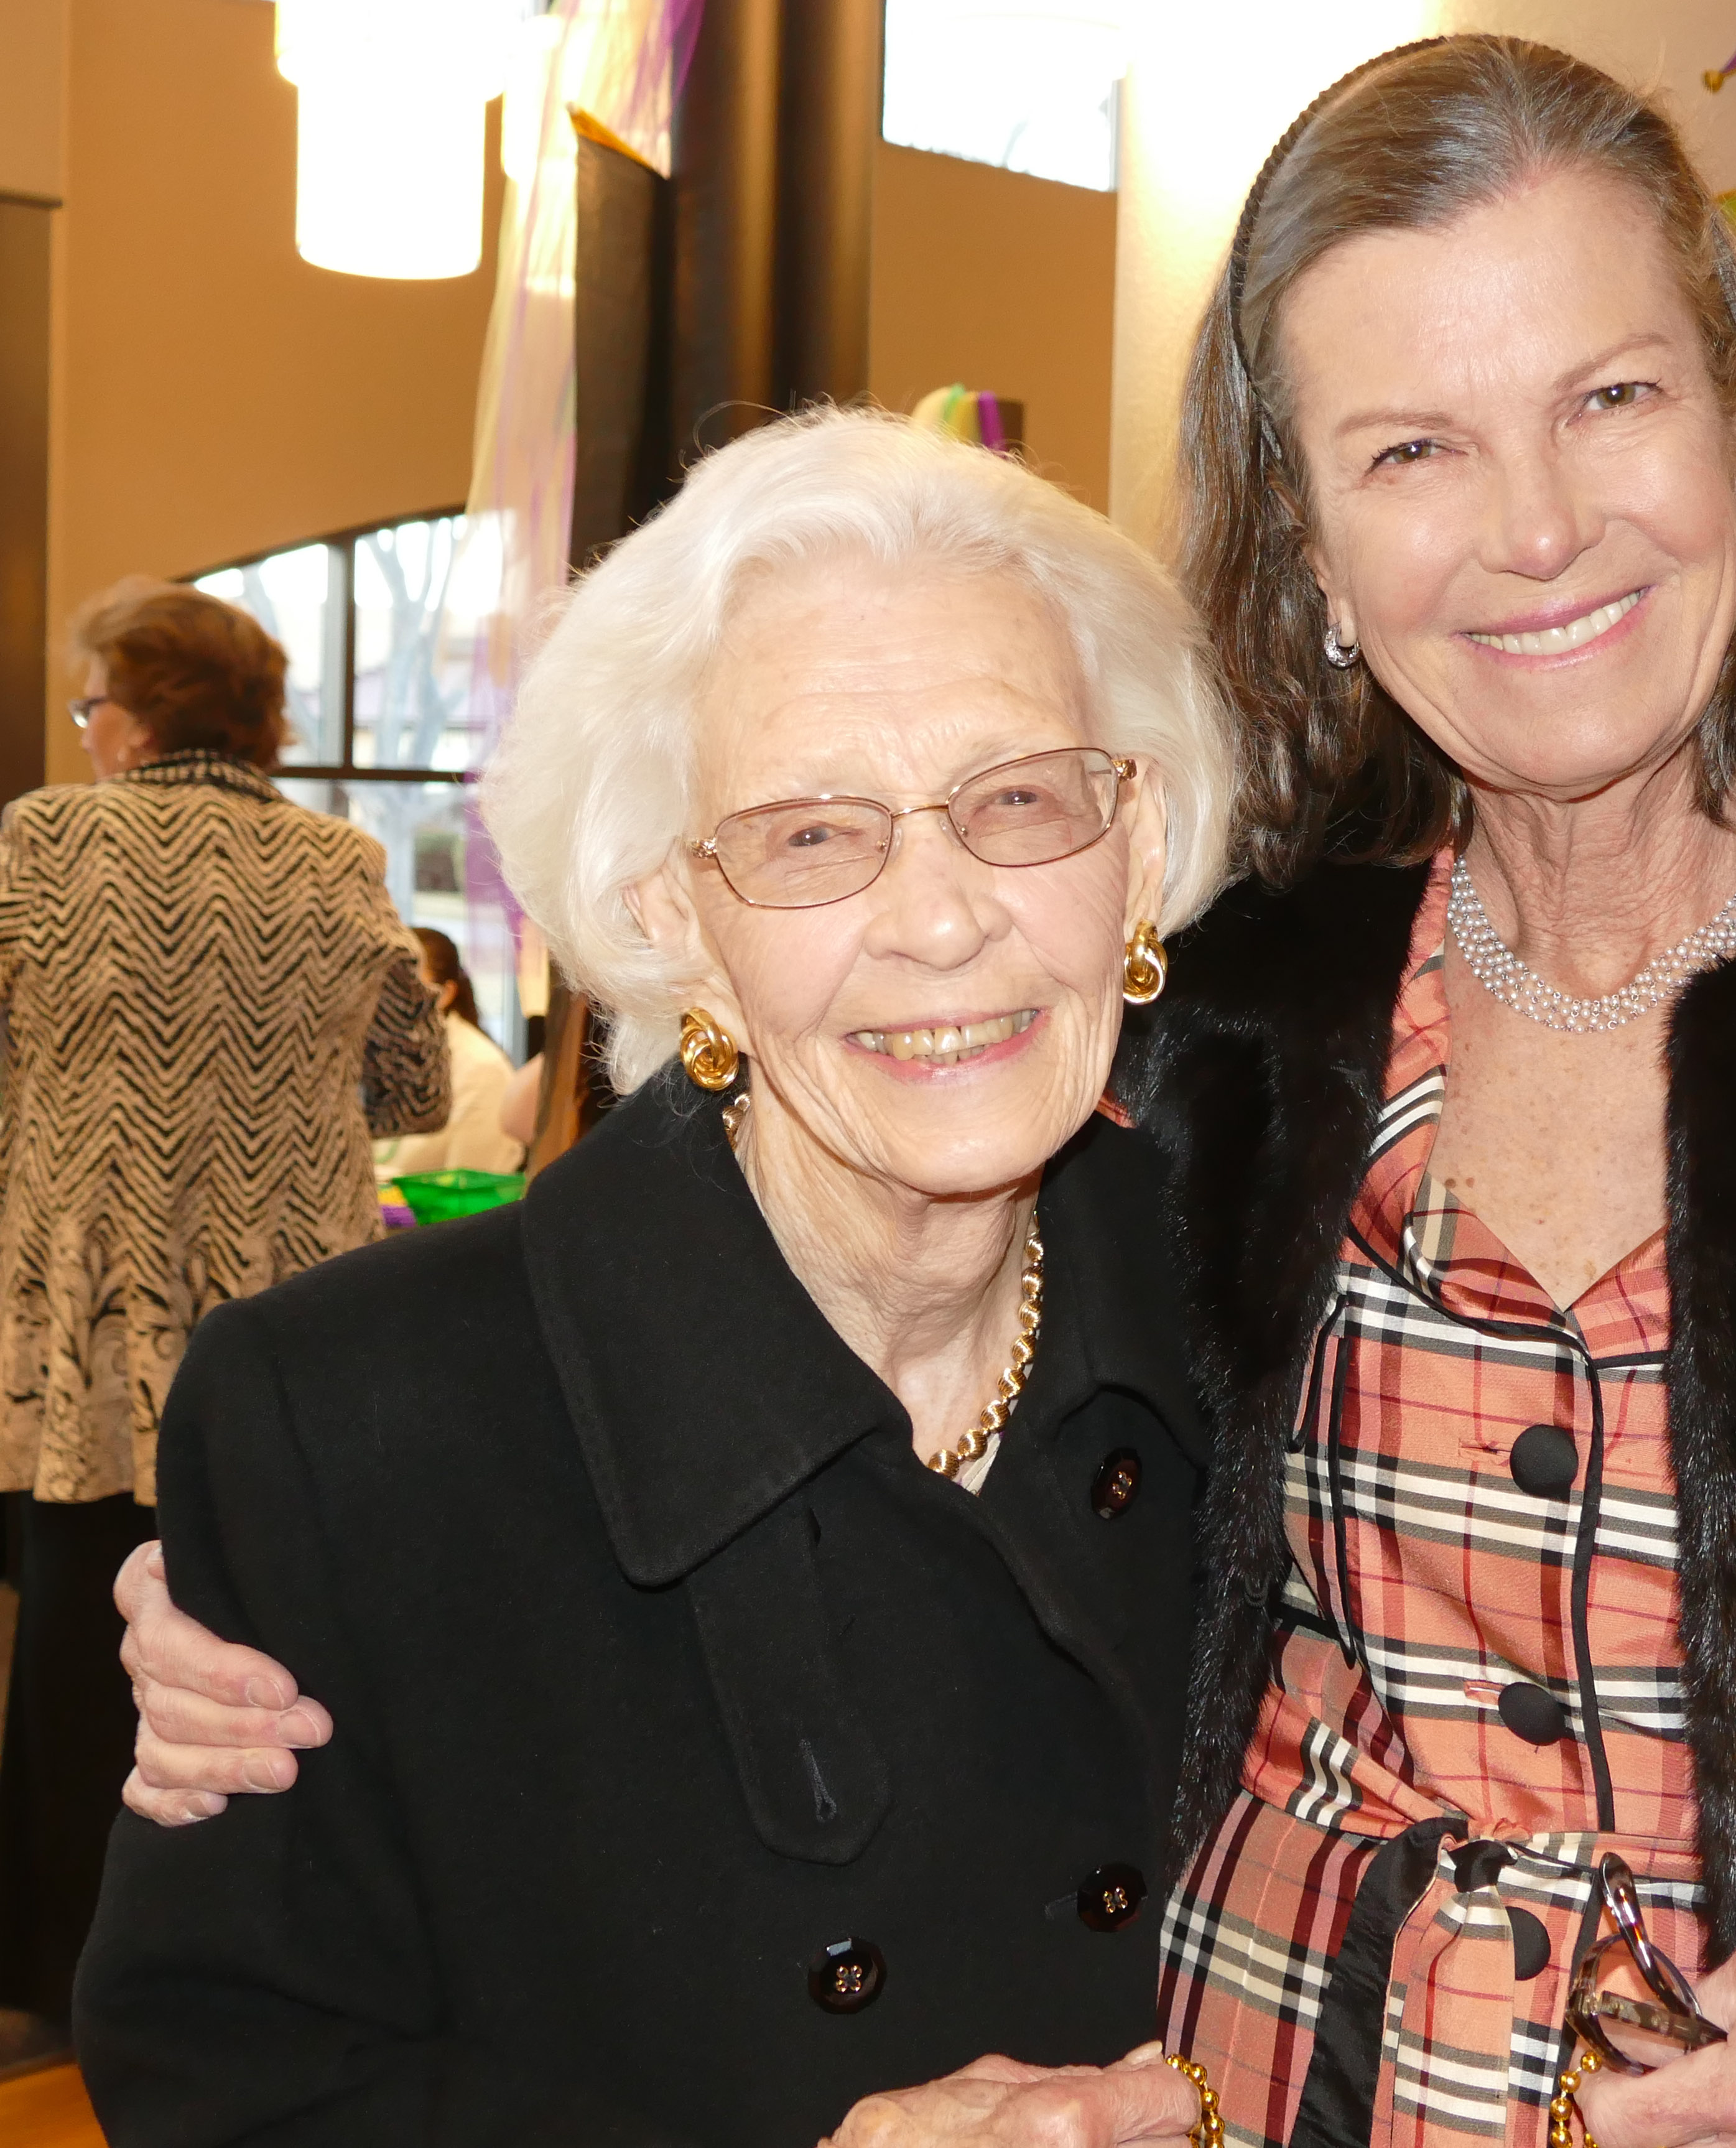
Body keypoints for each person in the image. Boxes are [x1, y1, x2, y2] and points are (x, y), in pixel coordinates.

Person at [114, 37, 1736, 2148]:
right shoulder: (1210, 1010)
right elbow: (786, 1250)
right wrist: (311, 1551)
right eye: (1407, 447)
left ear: (1734, 423)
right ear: (1309, 550)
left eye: (1607, 396)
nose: (1531, 526)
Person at [75, 409, 1234, 2147]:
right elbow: (231, 2084)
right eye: (811, 836)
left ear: (1134, 850)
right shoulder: (354, 1419)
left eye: (1017, 800)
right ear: (667, 911)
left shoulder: (1275, 1318)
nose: (942, 917)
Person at [0, 581, 450, 2054]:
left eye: (91, 711)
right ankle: (265, 1959)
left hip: (92, 1321)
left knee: (76, 1647)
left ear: (129, 720)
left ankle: (58, 1976)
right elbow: (419, 1095)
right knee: (267, 1649)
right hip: (286, 1323)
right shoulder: (341, 864)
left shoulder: (42, 843)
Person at [376, 928, 526, 1179]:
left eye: (403, 984)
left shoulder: (482, 1069)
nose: (386, 998)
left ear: (446, 994)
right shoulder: (379, 1054)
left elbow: (468, 1190)